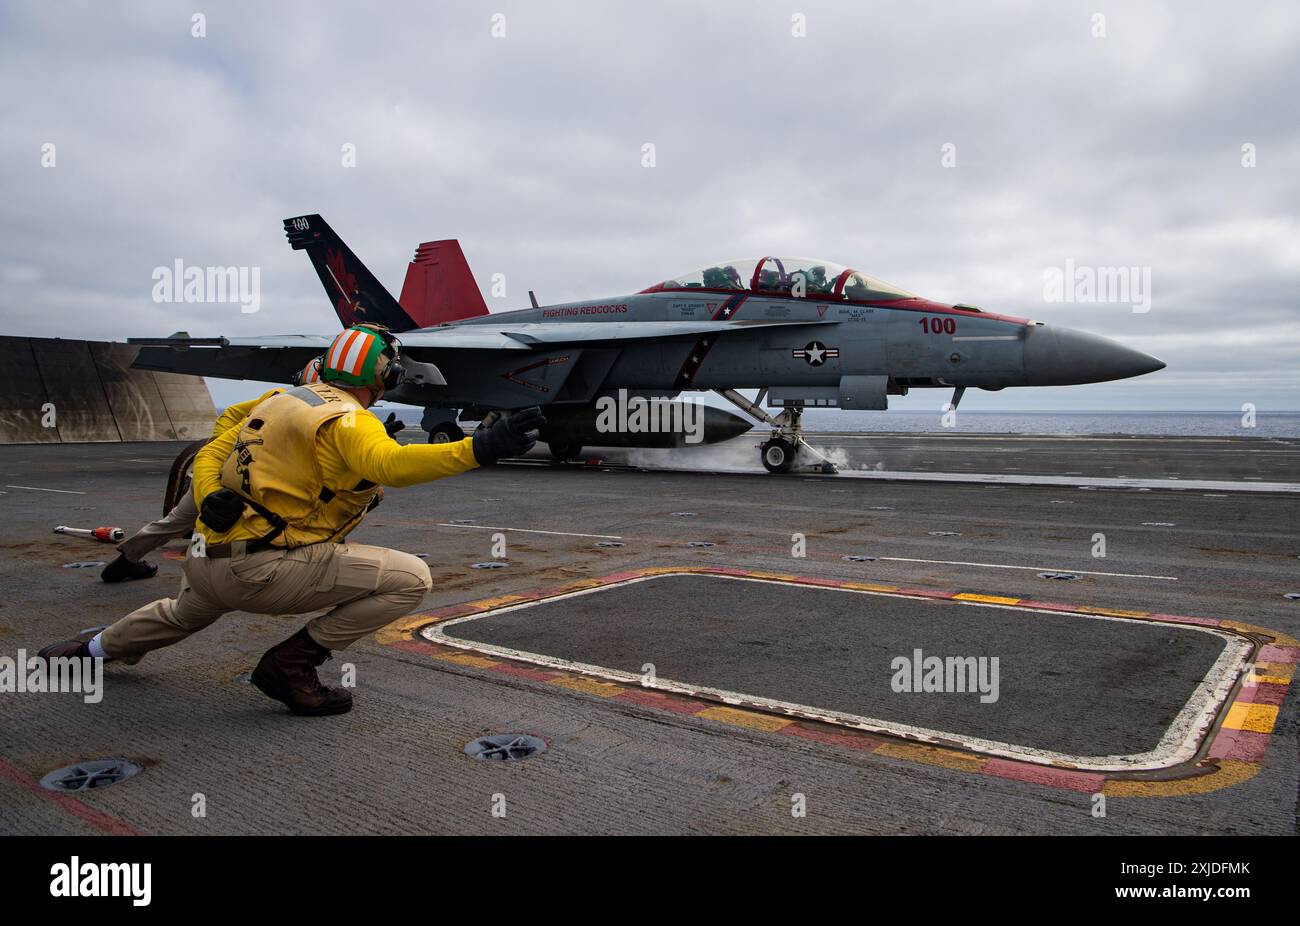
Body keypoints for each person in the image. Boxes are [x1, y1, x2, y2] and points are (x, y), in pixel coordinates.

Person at [41, 324, 543, 716]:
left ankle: (89, 650)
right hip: (262, 572)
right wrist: (481, 447)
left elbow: (218, 439)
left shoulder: (282, 399)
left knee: (179, 614)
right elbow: (391, 465)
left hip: (206, 560)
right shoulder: (348, 418)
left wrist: (212, 489)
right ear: (383, 376)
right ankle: (291, 665)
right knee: (412, 579)